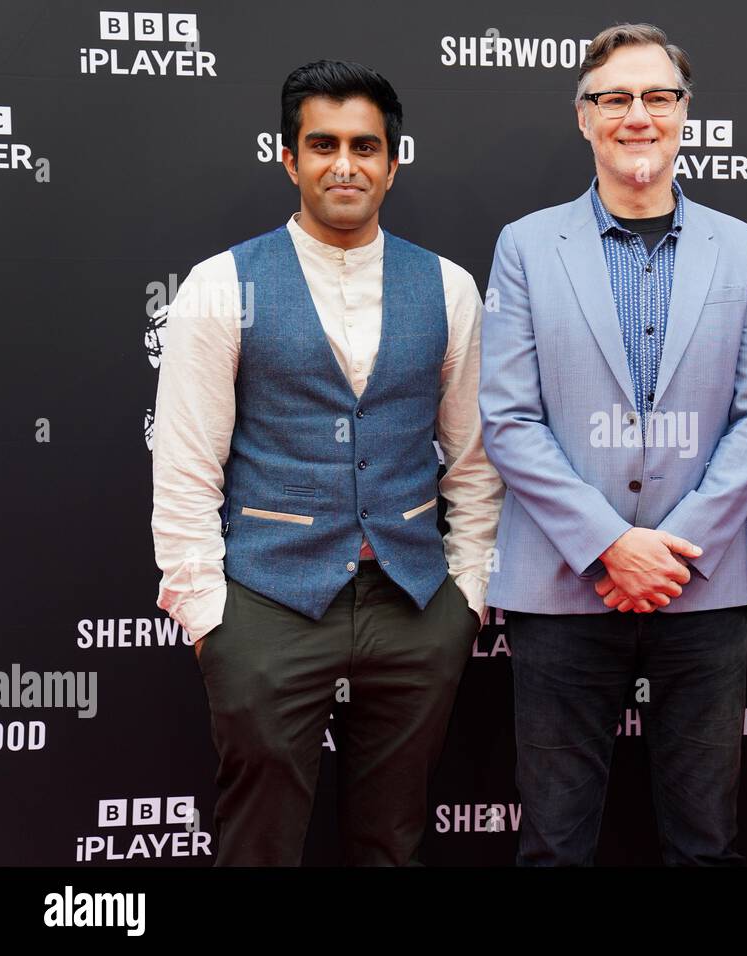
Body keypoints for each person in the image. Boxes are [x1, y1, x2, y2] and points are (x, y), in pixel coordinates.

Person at [151, 60, 502, 865]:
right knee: (260, 843)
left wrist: (467, 595)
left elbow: (474, 460)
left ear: (393, 159)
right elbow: (184, 467)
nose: (345, 164)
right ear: (289, 158)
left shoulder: (448, 288)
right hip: (267, 601)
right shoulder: (219, 285)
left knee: (392, 841)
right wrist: (210, 620)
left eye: (365, 146)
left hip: (414, 601)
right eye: (323, 144)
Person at [479, 23, 747, 866]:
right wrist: (611, 545)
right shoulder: (526, 246)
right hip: (562, 587)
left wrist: (675, 551)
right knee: (553, 844)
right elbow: (507, 417)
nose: (637, 116)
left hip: (703, 587)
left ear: (686, 113)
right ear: (584, 117)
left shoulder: (743, 248)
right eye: (615, 98)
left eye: (657, 97)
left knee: (704, 841)